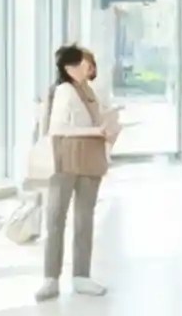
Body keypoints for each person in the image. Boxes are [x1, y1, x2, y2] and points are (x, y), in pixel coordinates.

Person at [36, 45, 119, 301]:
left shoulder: (88, 91)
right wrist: (94, 132)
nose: (88, 67)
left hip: (89, 160)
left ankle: (81, 276)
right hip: (67, 159)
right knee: (56, 218)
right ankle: (51, 278)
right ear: (69, 67)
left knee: (84, 220)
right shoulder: (64, 91)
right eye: (83, 63)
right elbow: (57, 128)